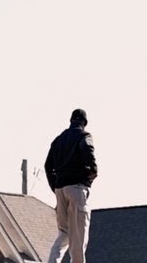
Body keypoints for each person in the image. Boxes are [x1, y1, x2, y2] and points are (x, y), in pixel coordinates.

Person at [45, 108, 98, 263]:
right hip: (76, 188)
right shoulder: (84, 136)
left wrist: (55, 188)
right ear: (84, 123)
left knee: (64, 233)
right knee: (79, 238)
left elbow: (48, 165)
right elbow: (87, 149)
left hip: (60, 189)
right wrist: (93, 171)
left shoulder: (58, 140)